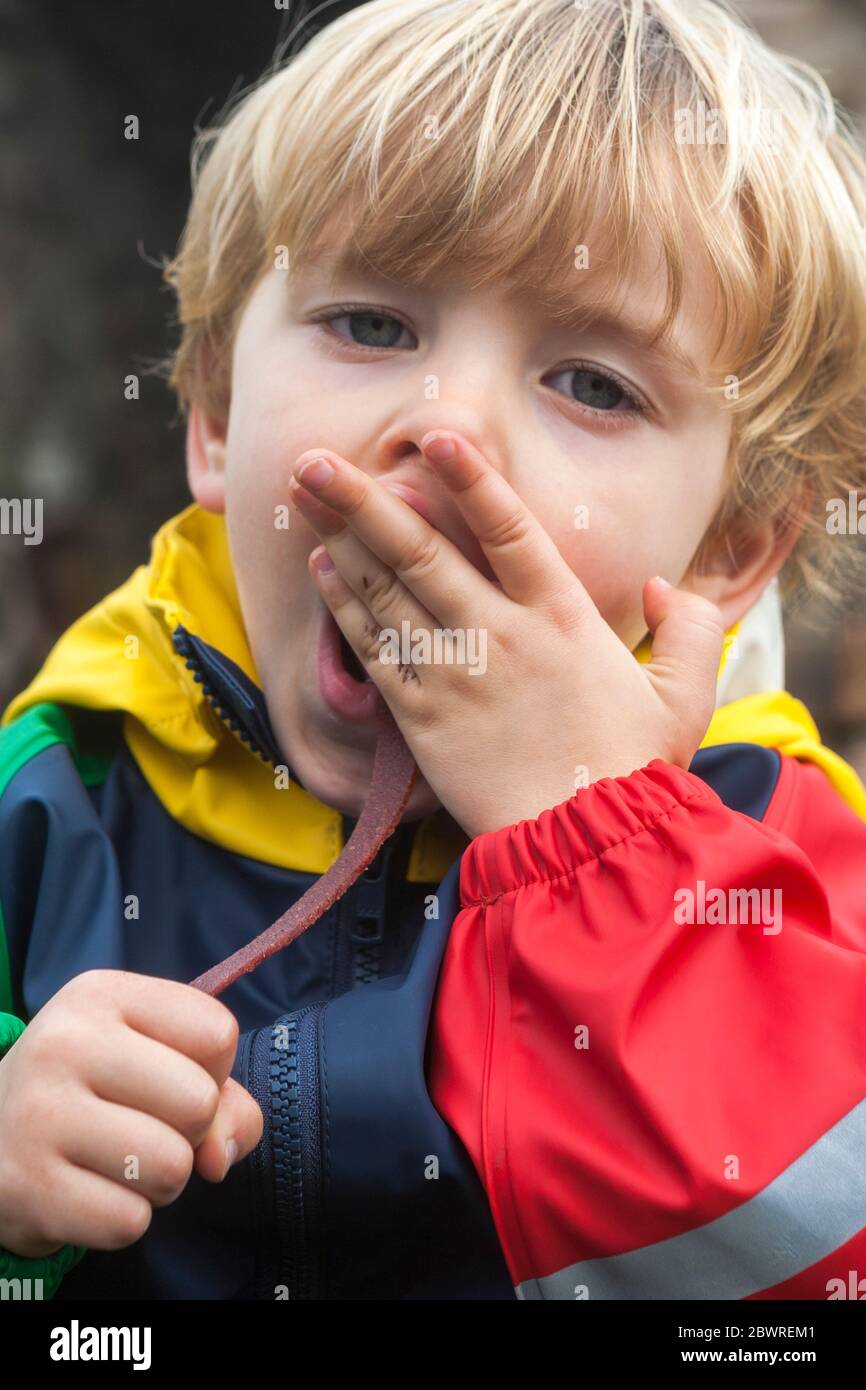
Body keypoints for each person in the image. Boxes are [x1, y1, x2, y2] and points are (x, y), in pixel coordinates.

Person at [1, 0, 865, 1301]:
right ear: (221, 413)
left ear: (723, 551)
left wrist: (601, 837)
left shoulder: (784, 854)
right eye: (372, 325)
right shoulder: (63, 786)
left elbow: (807, 1272)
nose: (443, 421)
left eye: (591, 384)